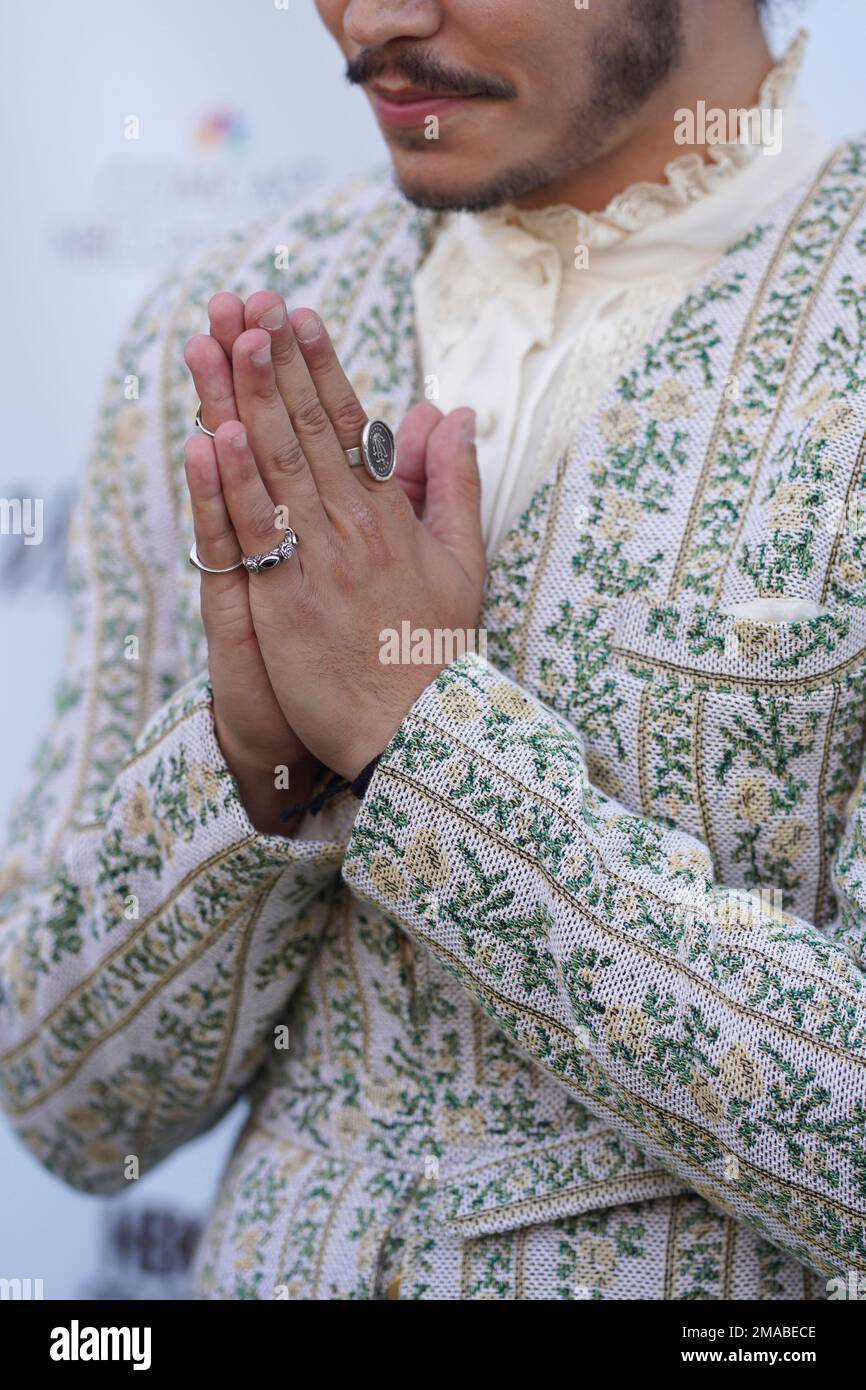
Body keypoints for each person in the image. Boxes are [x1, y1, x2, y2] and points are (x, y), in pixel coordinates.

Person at [1, 0, 865, 1301]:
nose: (376, 20)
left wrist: (419, 742)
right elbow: (71, 1106)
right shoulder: (236, 329)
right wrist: (253, 760)